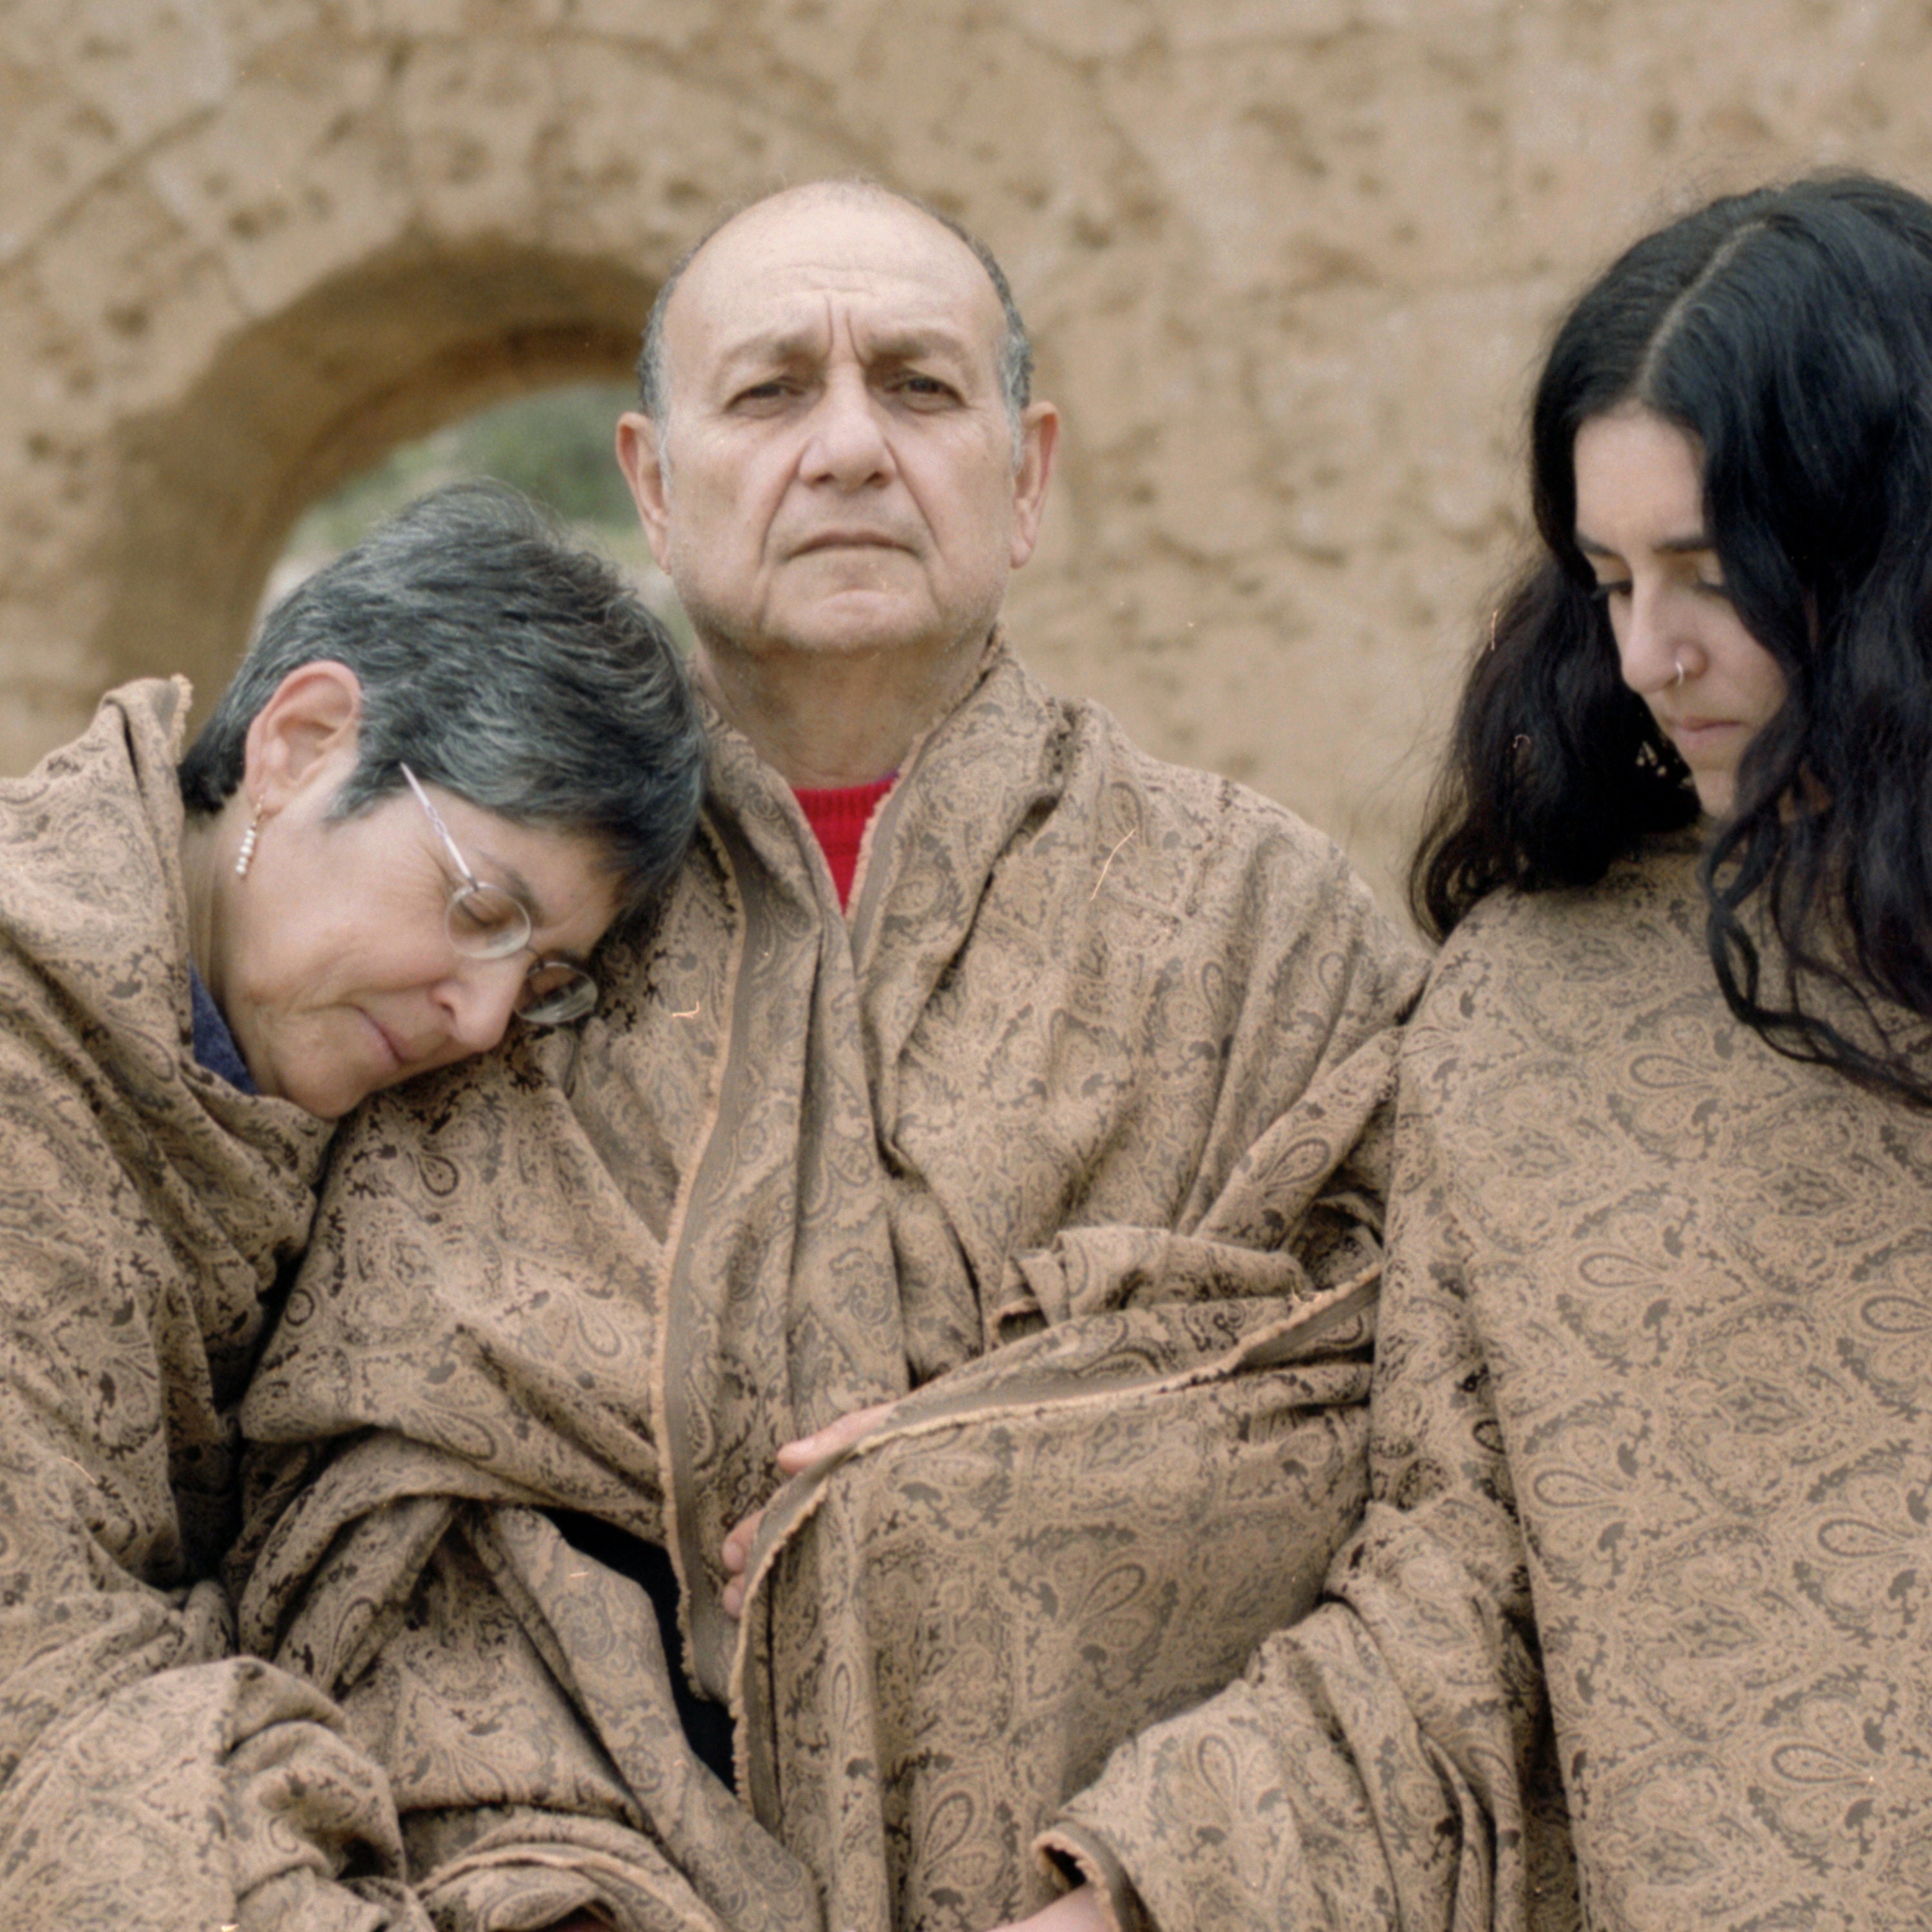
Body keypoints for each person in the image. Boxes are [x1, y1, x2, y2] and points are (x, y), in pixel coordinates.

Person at [229, 179, 1425, 1932]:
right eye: (775, 389)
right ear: (651, 478)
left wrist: (1165, 1883)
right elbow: (365, 1501)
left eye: (923, 390)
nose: (853, 446)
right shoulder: (487, 930)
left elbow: (1430, 1491)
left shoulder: (1270, 927)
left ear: (1026, 479)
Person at [1041, 172, 1932, 1929]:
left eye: (1716, 574)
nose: (1654, 654)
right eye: (1609, 578)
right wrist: (1142, 1892)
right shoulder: (1533, 1011)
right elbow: (1448, 1590)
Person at [0, 480, 704, 1928]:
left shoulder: (360, 1112)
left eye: (546, 977)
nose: (485, 1015)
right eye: (482, 910)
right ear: (302, 745)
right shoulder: (30, 1037)